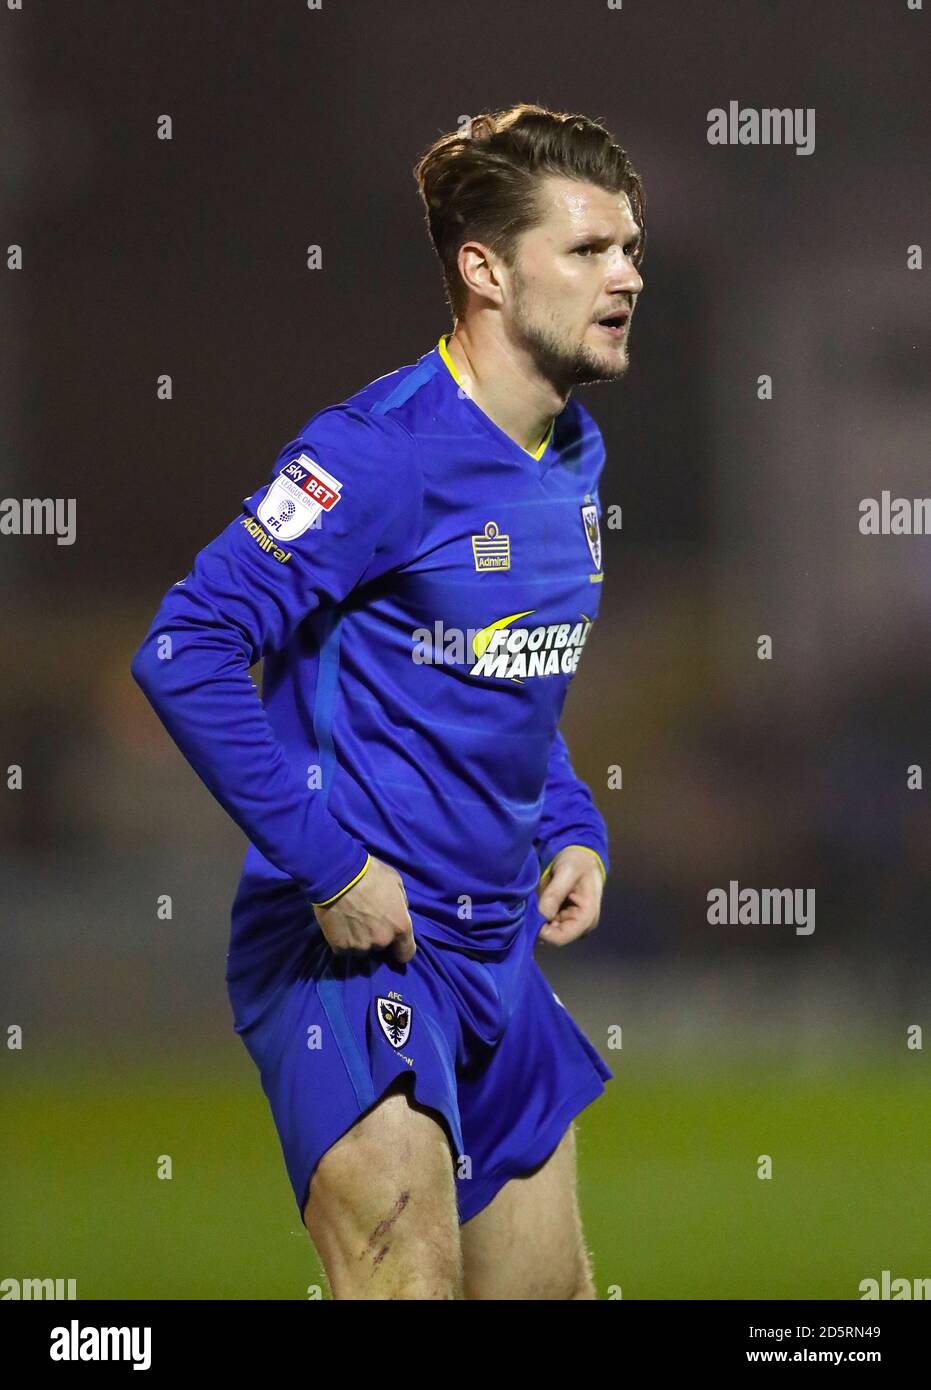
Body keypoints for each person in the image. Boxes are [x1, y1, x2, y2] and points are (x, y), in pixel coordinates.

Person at [131, 102, 645, 1299]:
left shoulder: (573, 456)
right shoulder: (375, 452)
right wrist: (326, 864)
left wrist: (567, 819)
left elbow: (502, 669)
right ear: (483, 269)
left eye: (629, 249)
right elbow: (185, 645)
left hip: (498, 949)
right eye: (585, 250)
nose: (624, 275)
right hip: (358, 956)